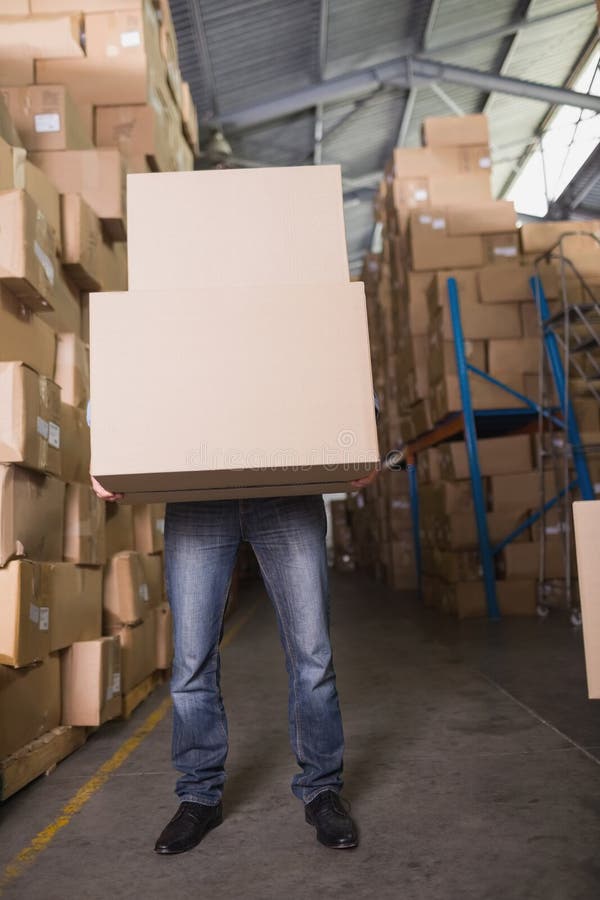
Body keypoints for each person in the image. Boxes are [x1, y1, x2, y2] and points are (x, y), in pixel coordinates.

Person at [92, 465, 378, 854]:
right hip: (196, 496)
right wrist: (110, 458)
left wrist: (362, 438)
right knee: (192, 662)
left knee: (312, 657)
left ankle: (323, 790)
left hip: (287, 489)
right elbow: (117, 402)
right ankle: (199, 796)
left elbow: (354, 401)